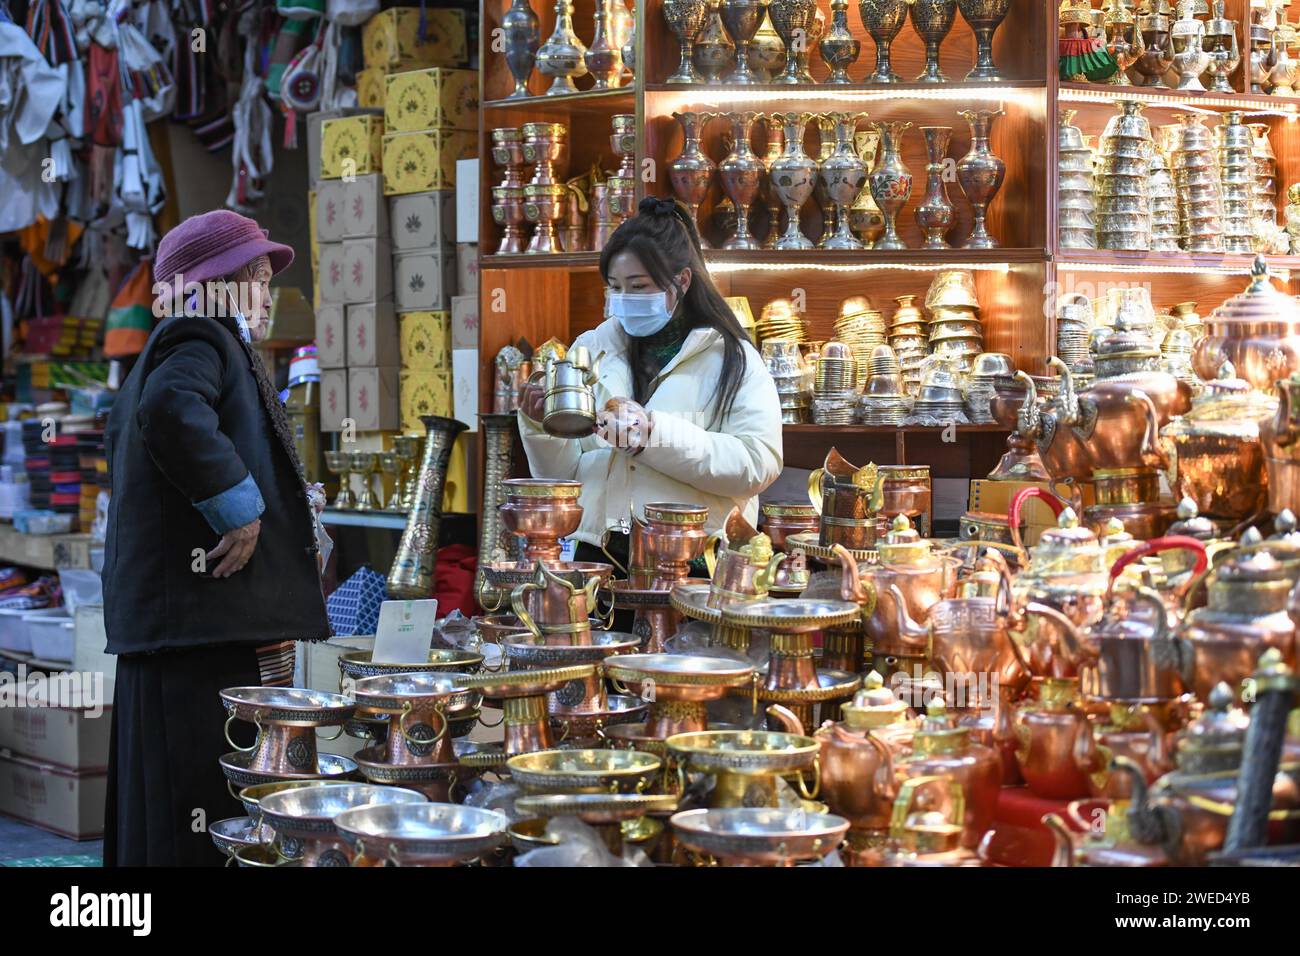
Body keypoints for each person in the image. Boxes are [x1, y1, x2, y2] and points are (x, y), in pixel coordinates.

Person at [102, 210, 331, 866]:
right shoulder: (198, 337)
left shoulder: (185, 343)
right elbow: (171, 412)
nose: (267, 292)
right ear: (215, 285)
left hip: (188, 628)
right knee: (196, 810)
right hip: (200, 631)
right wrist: (241, 509)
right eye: (255, 277)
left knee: (174, 805)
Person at [518, 196, 783, 579]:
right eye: (615, 287)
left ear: (682, 280)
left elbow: (756, 463)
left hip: (691, 561)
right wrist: (545, 427)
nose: (625, 300)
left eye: (638, 286)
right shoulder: (590, 351)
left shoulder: (731, 358)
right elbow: (566, 477)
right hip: (600, 560)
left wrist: (652, 437)